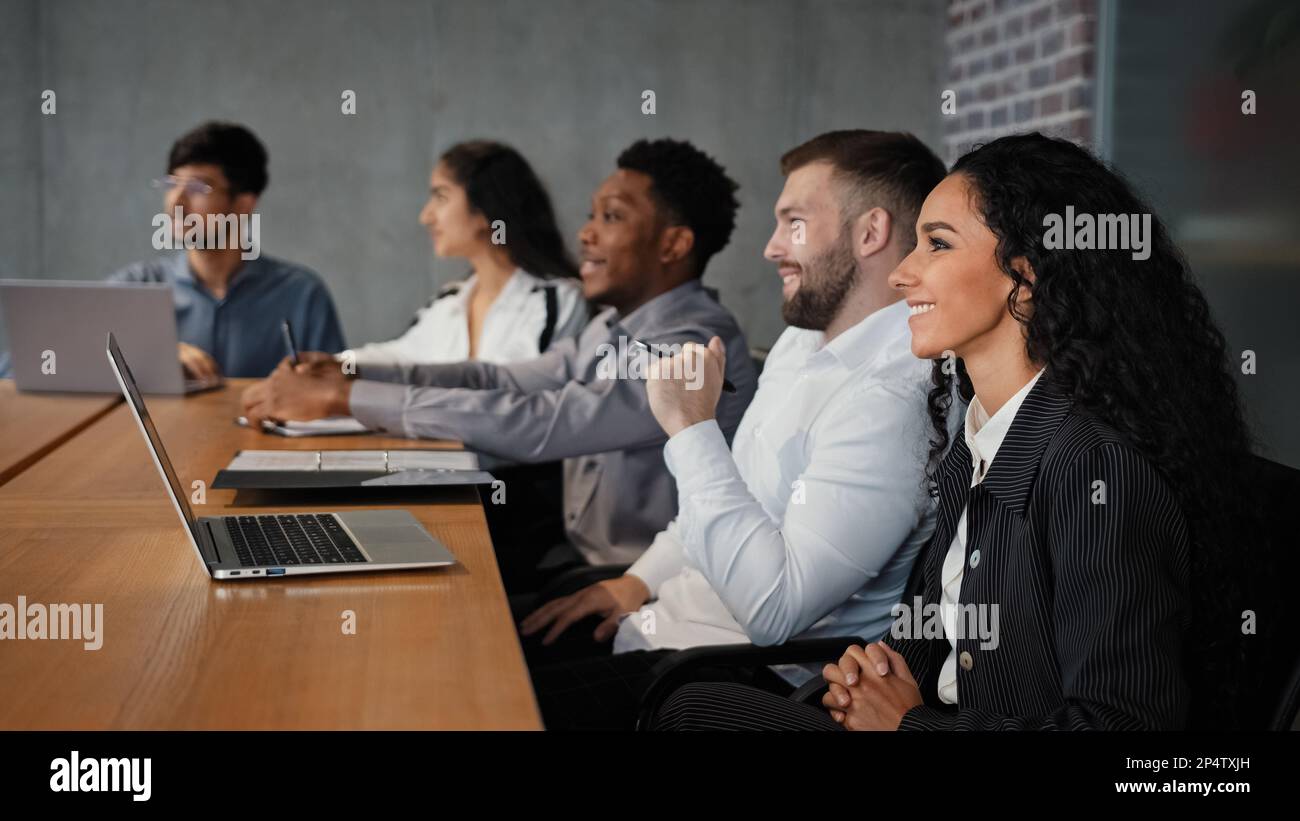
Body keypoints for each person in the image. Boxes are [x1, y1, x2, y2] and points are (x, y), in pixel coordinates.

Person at [652, 132, 1259, 731]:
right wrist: (864, 680)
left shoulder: (1092, 466)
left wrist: (908, 724)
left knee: (692, 710)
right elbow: (923, 639)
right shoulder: (977, 435)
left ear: (1025, 277)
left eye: (936, 245)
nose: (901, 275)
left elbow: (1124, 732)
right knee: (693, 707)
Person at [518, 131, 949, 730]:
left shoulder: (892, 399)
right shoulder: (804, 340)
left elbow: (775, 612)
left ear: (870, 232)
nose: (771, 248)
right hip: (661, 626)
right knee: (474, 639)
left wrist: (691, 430)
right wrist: (636, 582)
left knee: (472, 704)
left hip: (722, 679)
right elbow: (723, 503)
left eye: (793, 223)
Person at [241, 138, 758, 582]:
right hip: (576, 557)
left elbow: (545, 422)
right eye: (591, 214)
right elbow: (493, 376)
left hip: (641, 582)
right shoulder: (611, 325)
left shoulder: (690, 344)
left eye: (612, 217)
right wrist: (350, 373)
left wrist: (345, 397)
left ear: (674, 244)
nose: (585, 233)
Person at [111, 121, 345, 378]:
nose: (176, 201)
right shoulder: (137, 285)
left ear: (243, 204)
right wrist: (158, 354)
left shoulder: (302, 295)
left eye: (197, 187)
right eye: (171, 184)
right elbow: (72, 351)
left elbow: (330, 394)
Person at [345, 140, 587, 367]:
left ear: (485, 207)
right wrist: (330, 364)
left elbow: (508, 392)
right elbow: (399, 357)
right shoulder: (448, 303)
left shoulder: (558, 302)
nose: (426, 216)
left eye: (441, 196)